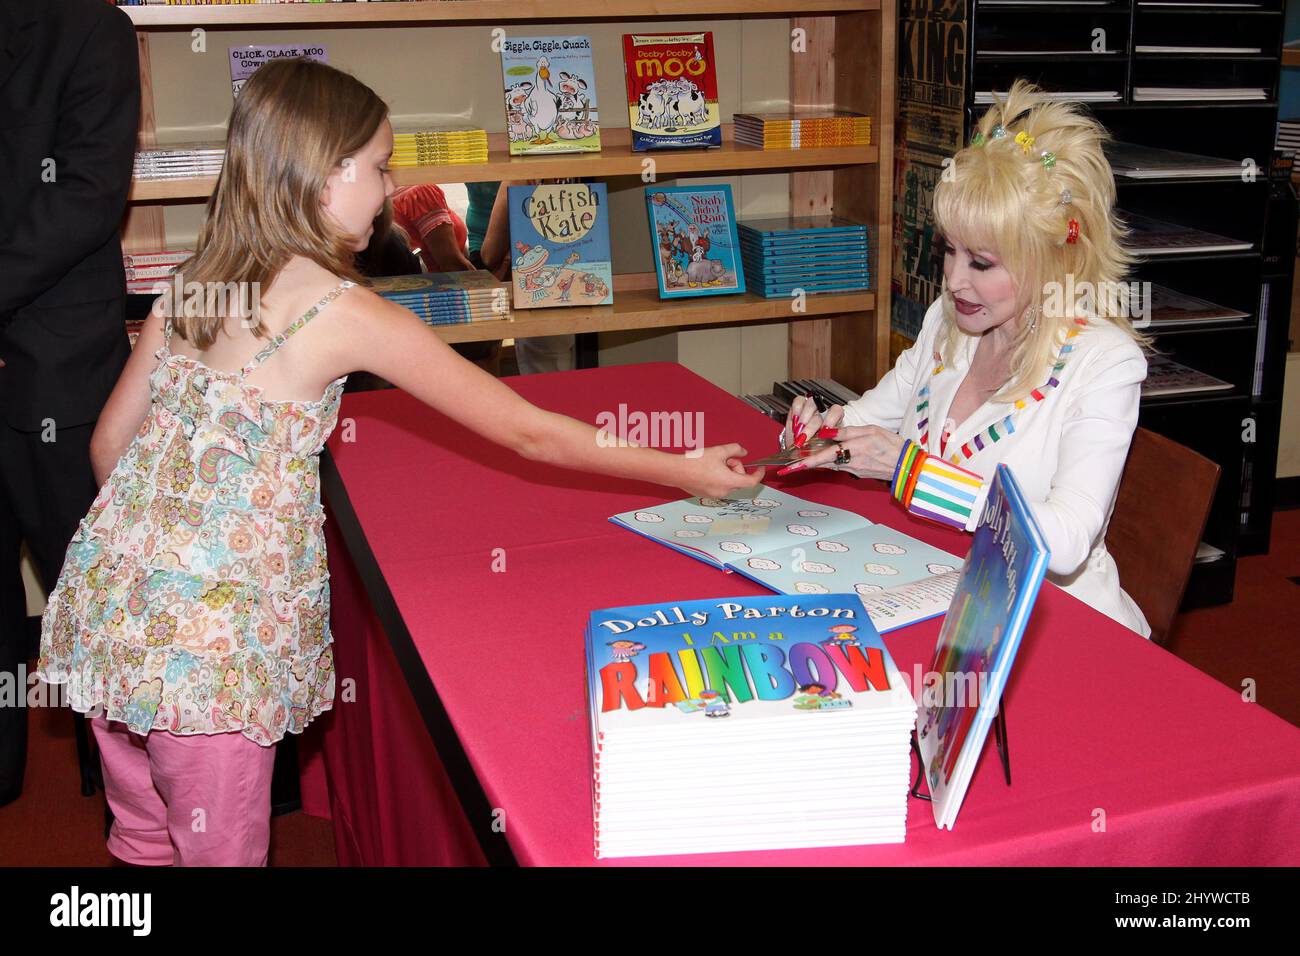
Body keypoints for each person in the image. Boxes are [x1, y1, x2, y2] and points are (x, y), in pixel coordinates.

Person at [33, 58, 764, 866]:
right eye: (378, 167)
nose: (386, 192)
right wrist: (684, 470)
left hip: (108, 616)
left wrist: (159, 564)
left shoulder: (192, 282)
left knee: (142, 832)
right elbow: (526, 430)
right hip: (212, 660)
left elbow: (109, 447)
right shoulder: (340, 312)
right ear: (322, 172)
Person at [778, 80, 1151, 638]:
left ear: (1051, 260)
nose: (953, 281)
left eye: (981, 262)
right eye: (949, 250)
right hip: (947, 591)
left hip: (1059, 627)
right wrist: (820, 434)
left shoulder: (1105, 365)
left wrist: (909, 471)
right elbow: (868, 421)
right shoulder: (949, 323)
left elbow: (1066, 542)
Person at [0, 0, 141, 806]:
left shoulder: (92, 28)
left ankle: (126, 801)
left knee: (88, 592)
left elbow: (87, 193)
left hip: (60, 368)